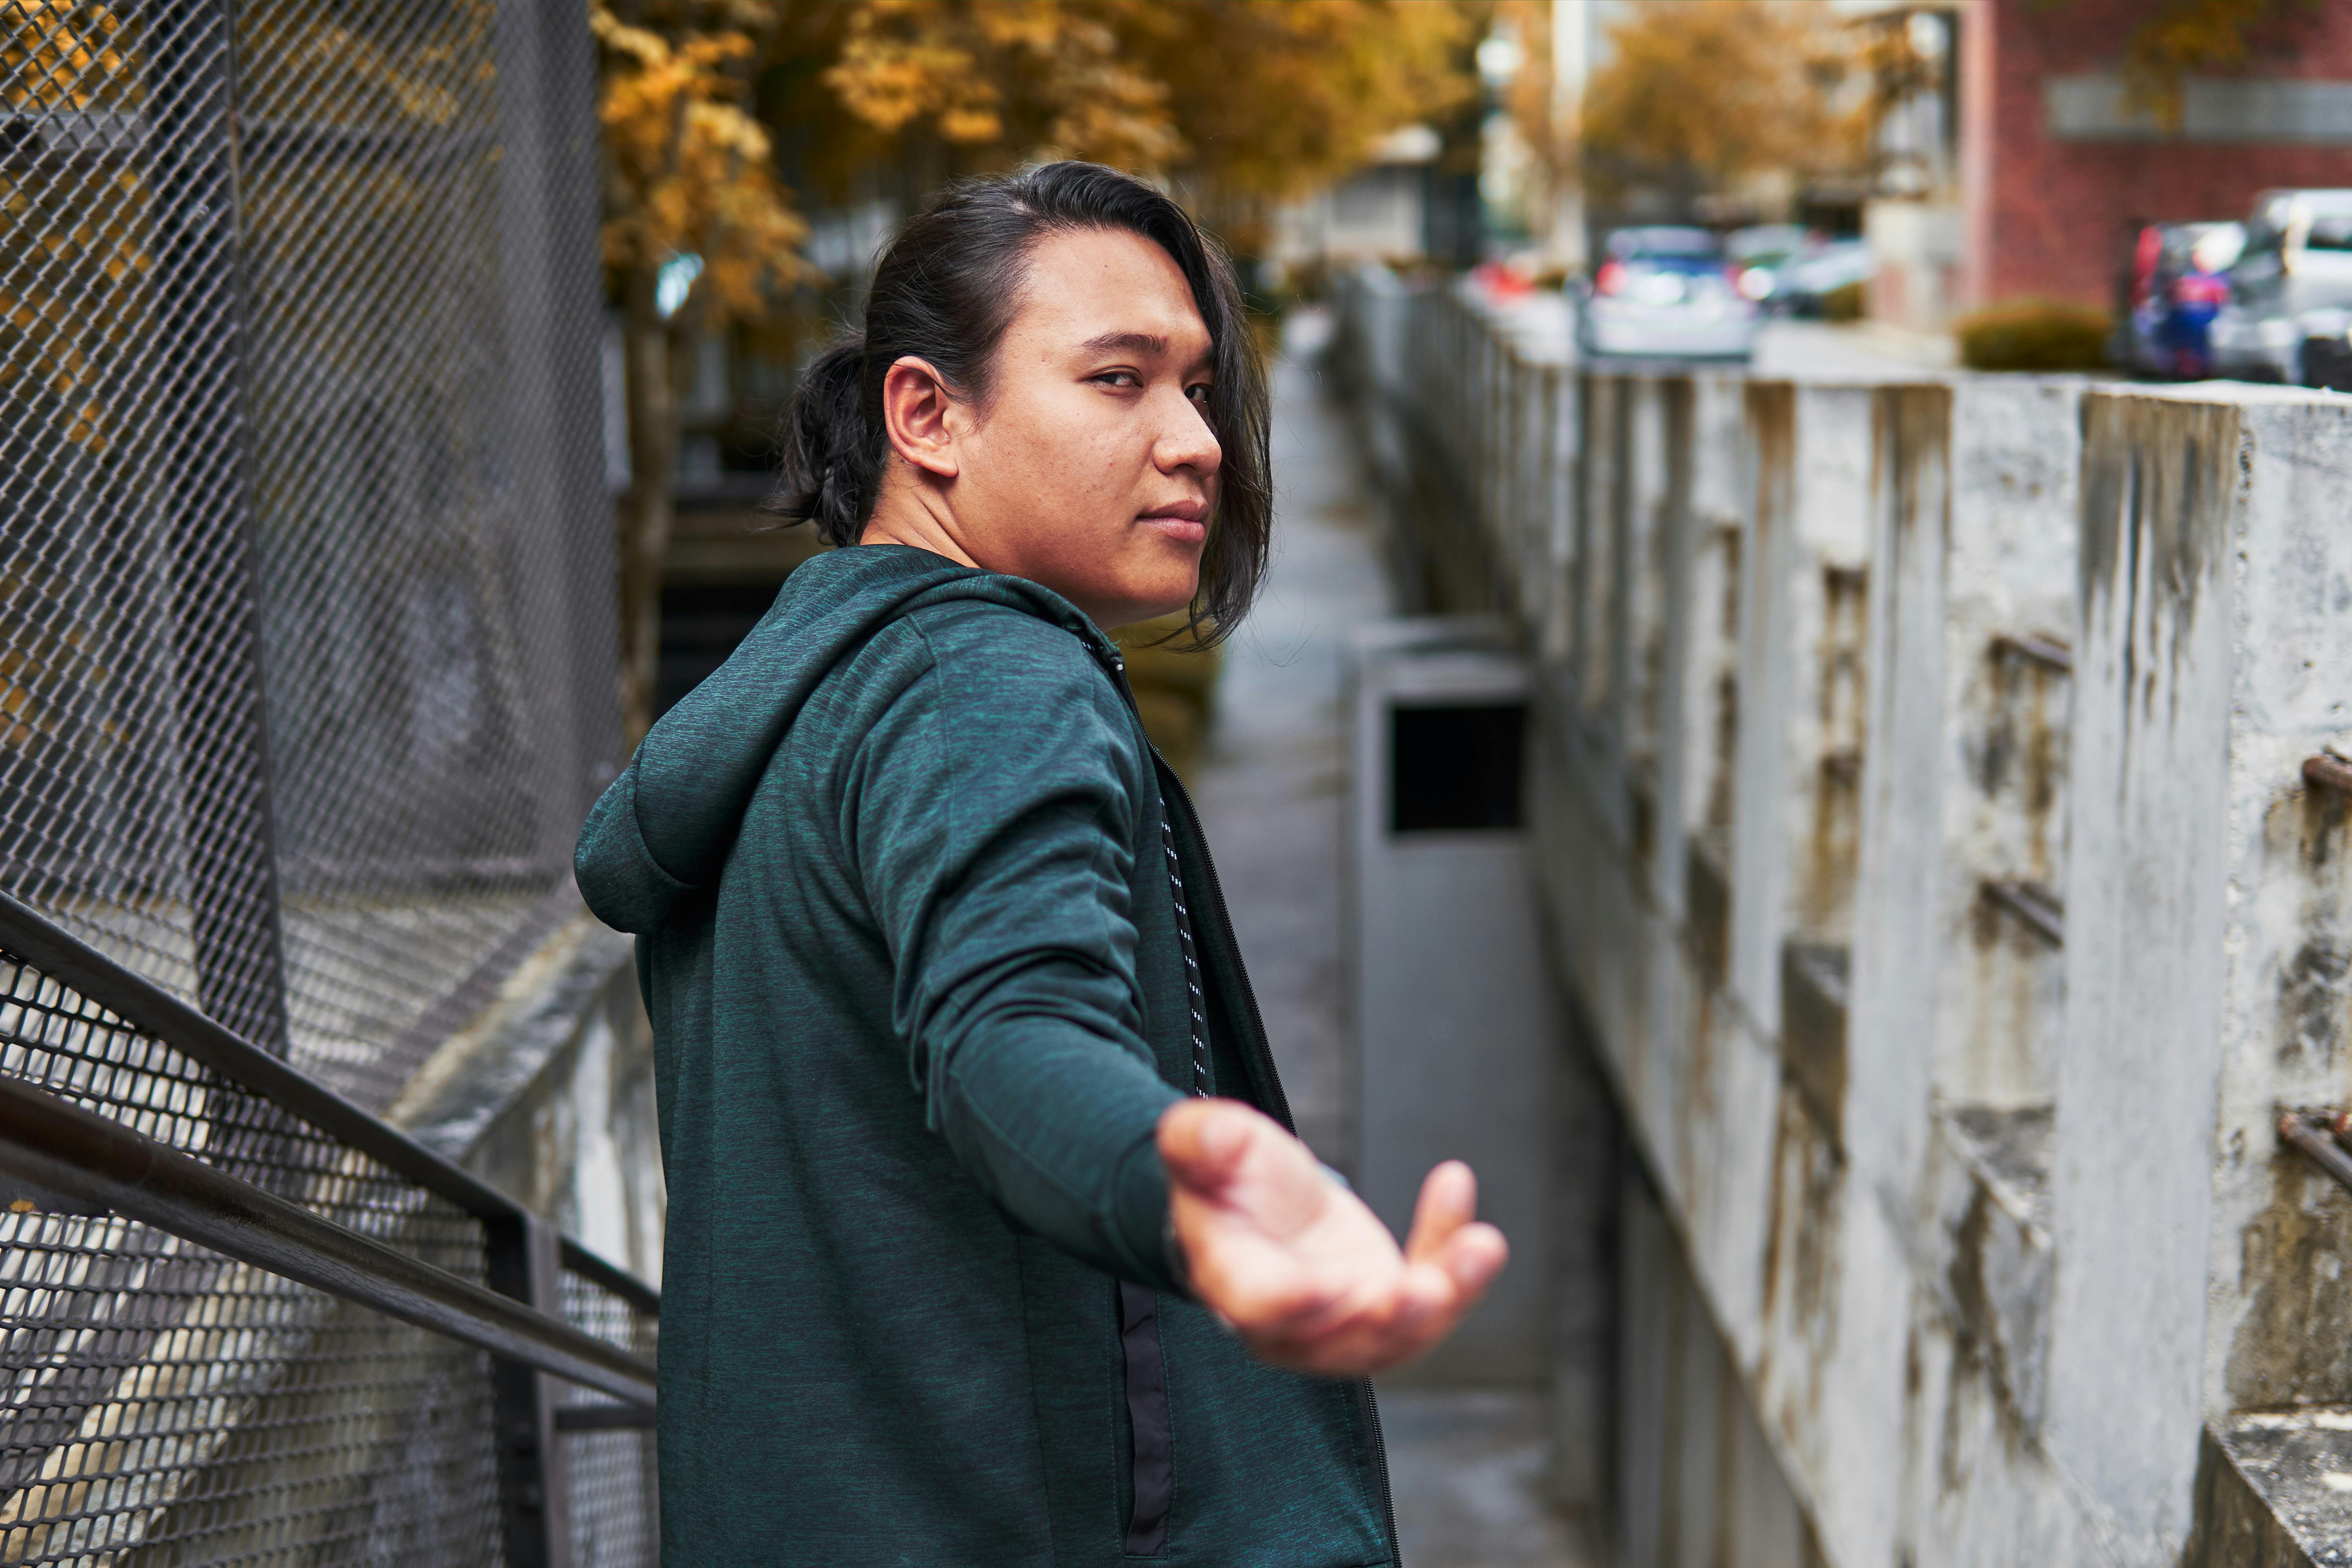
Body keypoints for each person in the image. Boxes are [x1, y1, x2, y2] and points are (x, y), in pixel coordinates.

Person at [575, 160, 1506, 1565]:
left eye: (1196, 386)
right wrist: (1181, 1195)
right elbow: (1009, 1029)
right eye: (1119, 380)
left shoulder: (810, 696)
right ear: (928, 415)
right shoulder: (986, 683)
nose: (1197, 440)